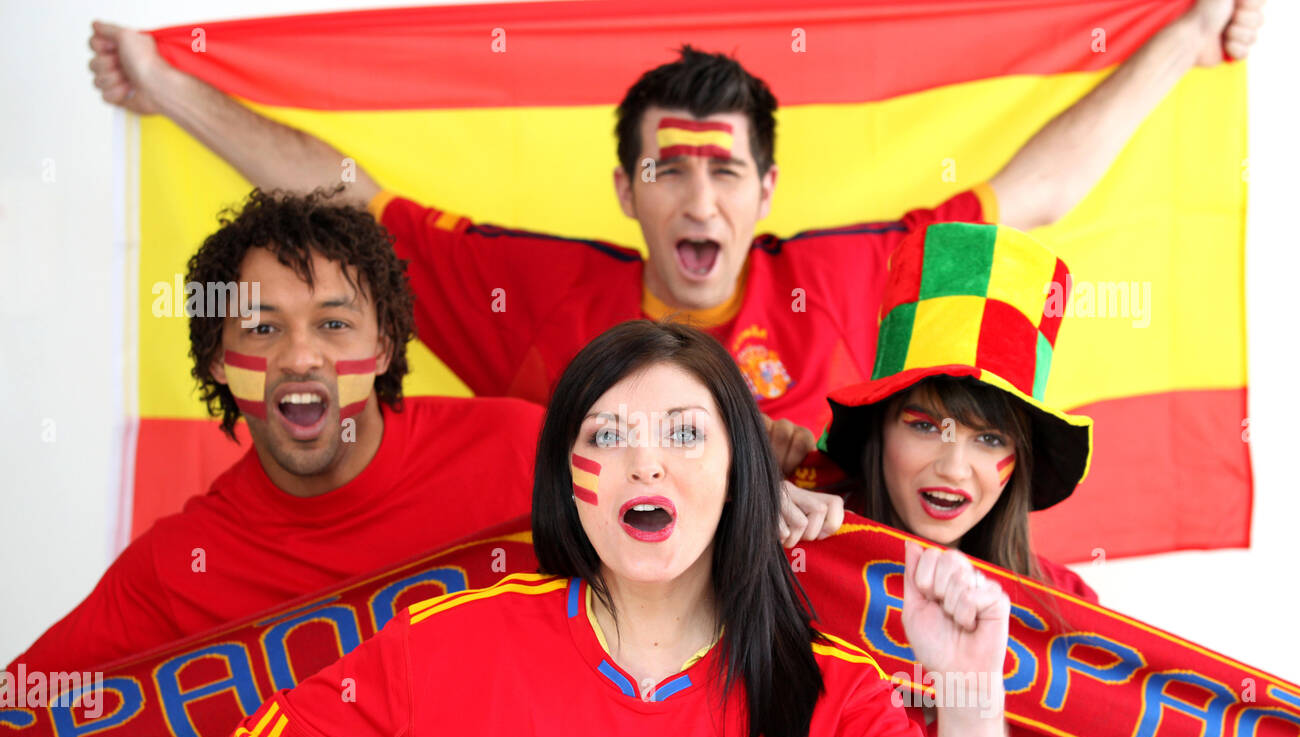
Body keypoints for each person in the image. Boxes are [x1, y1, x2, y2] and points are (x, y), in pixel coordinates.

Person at [85, 1, 1263, 439]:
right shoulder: (539, 297)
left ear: (764, 194)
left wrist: (1180, 36)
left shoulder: (855, 283)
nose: (698, 198)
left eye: (723, 173)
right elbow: (346, 201)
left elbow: (1036, 193)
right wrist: (168, 85)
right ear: (625, 192)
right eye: (669, 171)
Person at [204, 320, 1015, 737]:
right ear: (567, 476)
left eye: (686, 434)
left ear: (742, 476)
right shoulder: (452, 647)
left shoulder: (836, 692)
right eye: (607, 436)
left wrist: (973, 697)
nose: (646, 464)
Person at [6, 189, 546, 676]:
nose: (301, 357)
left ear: (382, 347)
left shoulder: (521, 449)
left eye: (334, 324)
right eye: (263, 329)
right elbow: (19, 727)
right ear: (217, 360)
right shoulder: (177, 566)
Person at [818, 220, 1117, 737]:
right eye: (925, 426)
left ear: (1019, 460)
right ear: (879, 428)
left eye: (988, 437)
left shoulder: (1063, 609)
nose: (955, 467)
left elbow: (1121, 736)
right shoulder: (805, 548)